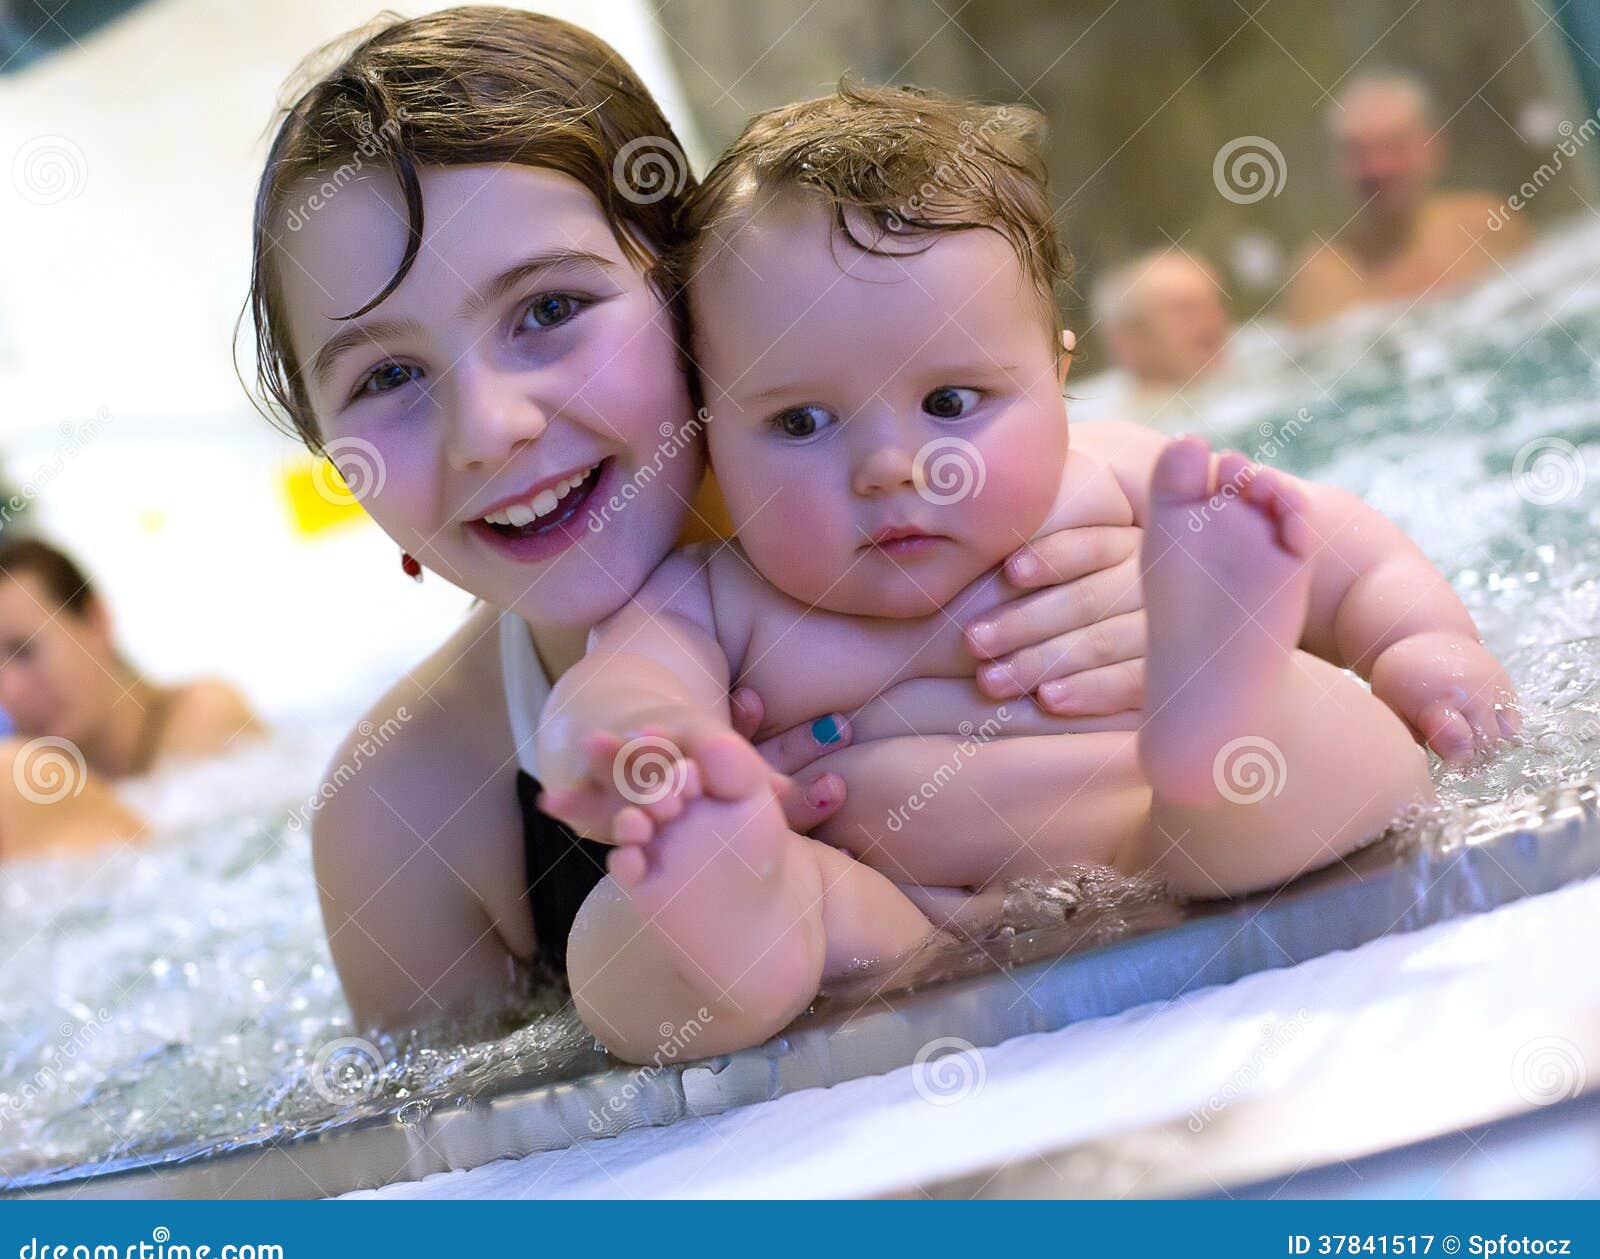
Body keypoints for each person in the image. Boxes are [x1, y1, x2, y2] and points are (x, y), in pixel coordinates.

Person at [538, 83, 1520, 1062]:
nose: (889, 467)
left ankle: (1229, 705)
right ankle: (730, 895)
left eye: (951, 400)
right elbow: (620, 681)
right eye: (798, 422)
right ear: (710, 435)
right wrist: (647, 746)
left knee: (1338, 748)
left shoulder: (1120, 477)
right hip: (893, 925)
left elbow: (1349, 559)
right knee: (621, 959)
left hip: (1164, 836)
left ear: (1058, 376)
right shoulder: (715, 596)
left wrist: (1418, 645)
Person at [248, 7, 1150, 1033]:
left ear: (682, 281)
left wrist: (1201, 627)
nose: (488, 429)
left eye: (548, 310)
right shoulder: (403, 818)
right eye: (389, 375)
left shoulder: (1058, 531)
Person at [0, 537, 262, 858]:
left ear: (96, 621)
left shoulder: (204, 711)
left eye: (24, 651)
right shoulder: (33, 785)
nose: (10, 690)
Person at [1286, 71, 1532, 326]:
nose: (1379, 167)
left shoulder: (1490, 223)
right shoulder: (1323, 275)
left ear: (1435, 145)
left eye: (1394, 146)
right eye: (1359, 153)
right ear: (1337, 167)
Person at [1074, 249, 1233, 424]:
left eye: (1214, 304)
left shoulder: (1247, 386)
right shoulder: (1105, 424)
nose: (1212, 321)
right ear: (1129, 340)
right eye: (1186, 310)